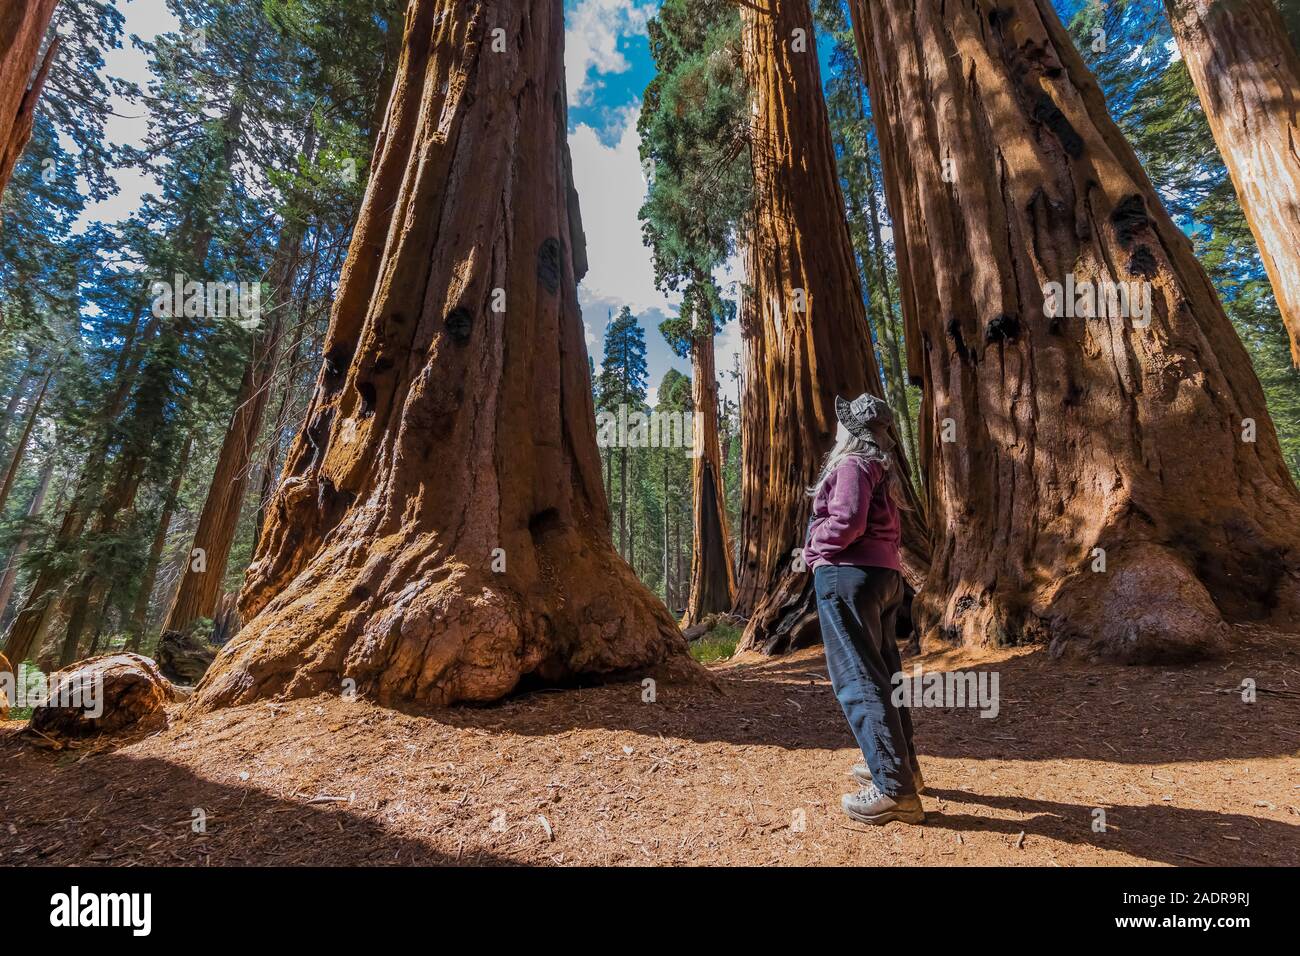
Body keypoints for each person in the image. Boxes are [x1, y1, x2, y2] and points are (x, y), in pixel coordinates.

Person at [804, 392, 924, 825]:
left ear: (851, 430)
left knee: (858, 679)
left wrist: (815, 550)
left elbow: (849, 520)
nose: (836, 428)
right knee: (884, 671)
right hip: (883, 577)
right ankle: (902, 765)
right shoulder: (881, 467)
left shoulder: (852, 464)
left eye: (842, 422)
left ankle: (894, 787)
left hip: (849, 576)